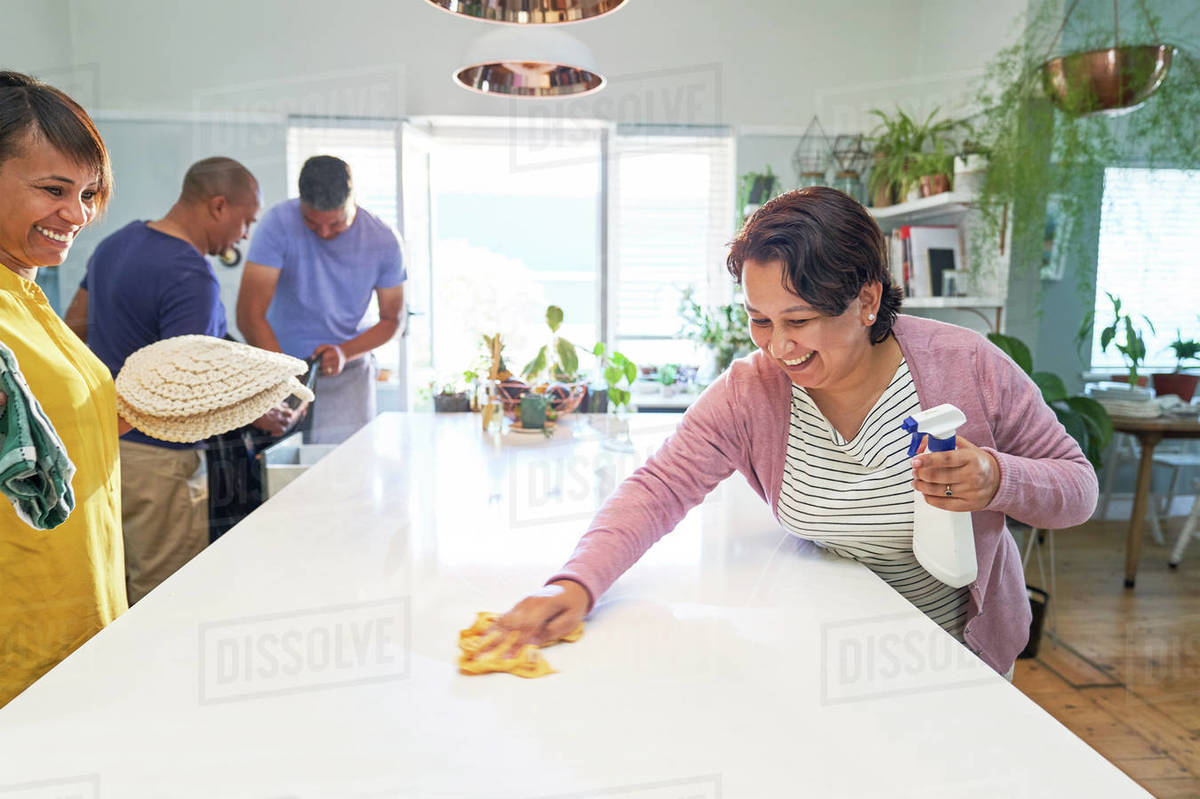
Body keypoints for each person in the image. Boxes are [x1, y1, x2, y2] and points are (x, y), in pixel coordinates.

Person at [491, 187, 1099, 678]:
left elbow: (1078, 487)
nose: (779, 346)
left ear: (866, 301)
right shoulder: (751, 390)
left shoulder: (966, 365)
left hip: (956, 659)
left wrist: (995, 476)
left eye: (800, 321)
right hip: (826, 652)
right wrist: (575, 582)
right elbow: (660, 487)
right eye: (760, 320)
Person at [65, 157, 299, 605]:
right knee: (162, 598)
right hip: (161, 463)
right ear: (218, 206)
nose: (245, 236)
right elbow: (188, 391)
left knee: (118, 588)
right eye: (246, 221)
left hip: (104, 448)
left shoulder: (116, 244)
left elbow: (73, 327)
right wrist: (258, 410)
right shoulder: (191, 274)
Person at [0, 70, 124, 706]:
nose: (77, 215)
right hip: (20, 646)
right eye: (54, 189)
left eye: (87, 193)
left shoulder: (30, 294)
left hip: (86, 620)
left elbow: (53, 432)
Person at [236, 155, 406, 445]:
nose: (325, 233)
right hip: (281, 364)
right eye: (312, 224)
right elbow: (250, 316)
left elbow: (393, 321)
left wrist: (343, 352)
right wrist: (285, 377)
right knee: (283, 472)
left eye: (336, 224)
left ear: (352, 201)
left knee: (348, 471)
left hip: (349, 370)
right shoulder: (277, 224)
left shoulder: (384, 240)